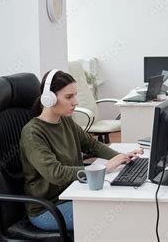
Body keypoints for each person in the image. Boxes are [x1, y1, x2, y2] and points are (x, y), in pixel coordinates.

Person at [20, 69, 143, 231]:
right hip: (49, 209)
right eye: (69, 97)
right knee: (114, 219)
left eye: (75, 95)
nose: (76, 102)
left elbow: (92, 145)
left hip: (74, 193)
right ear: (48, 99)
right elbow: (55, 174)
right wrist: (103, 168)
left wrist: (120, 157)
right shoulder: (33, 133)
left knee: (123, 205)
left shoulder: (66, 121)